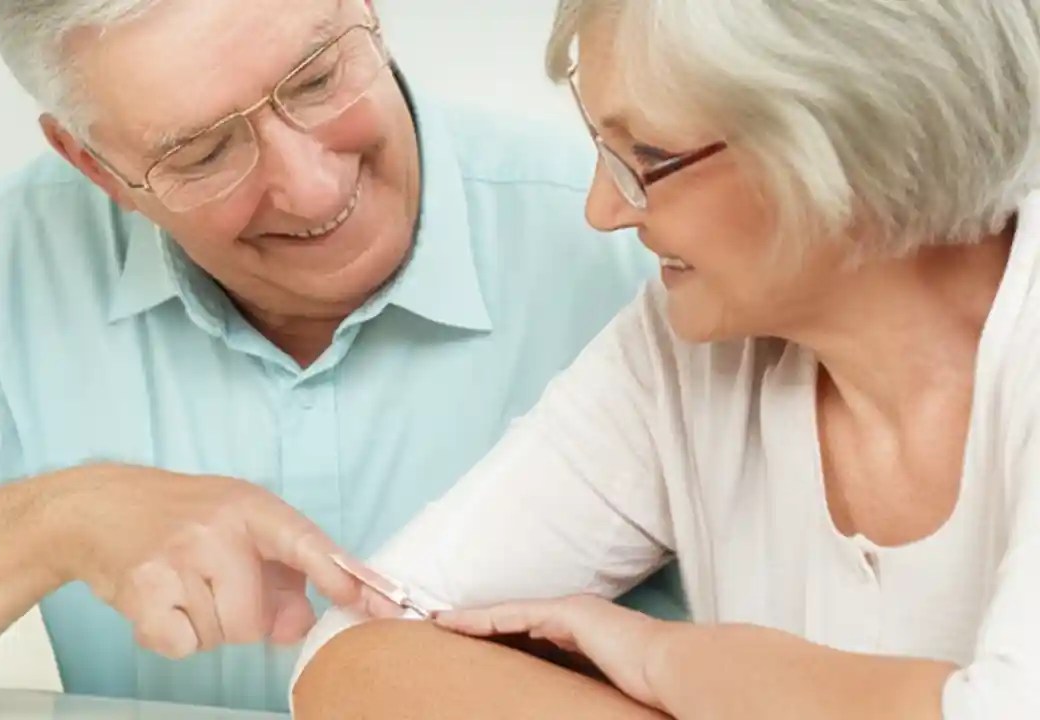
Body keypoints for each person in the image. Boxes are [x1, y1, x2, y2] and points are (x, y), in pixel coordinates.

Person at [0, 0, 683, 718]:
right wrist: (69, 515)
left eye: (317, 78)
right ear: (92, 165)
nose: (311, 187)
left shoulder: (634, 242)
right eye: (202, 152)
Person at [292, 0, 1040, 718]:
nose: (603, 210)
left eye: (646, 157)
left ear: (859, 141)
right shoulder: (681, 354)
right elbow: (355, 646)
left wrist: (672, 664)